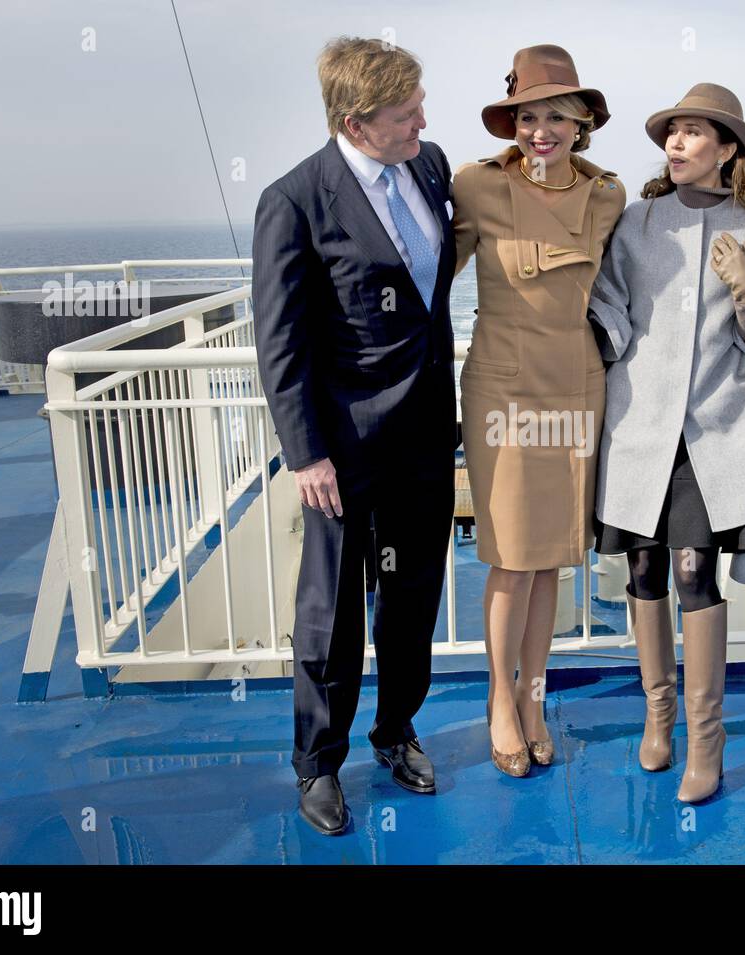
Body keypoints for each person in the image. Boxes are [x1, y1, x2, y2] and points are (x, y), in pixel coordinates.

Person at [252, 37, 458, 836]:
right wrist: (304, 452)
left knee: (413, 596)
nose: (423, 122)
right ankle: (319, 762)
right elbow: (282, 340)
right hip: (342, 448)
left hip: (424, 436)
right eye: (406, 115)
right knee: (331, 610)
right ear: (355, 122)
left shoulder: (430, 166)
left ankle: (396, 730)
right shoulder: (295, 200)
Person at [587, 84, 745, 804]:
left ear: (727, 149)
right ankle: (658, 715)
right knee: (644, 570)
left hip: (714, 428)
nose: (676, 144)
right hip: (638, 425)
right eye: (672, 133)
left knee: (695, 569)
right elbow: (608, 306)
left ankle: (708, 737)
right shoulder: (636, 223)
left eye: (695, 133)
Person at [452, 45, 625, 777]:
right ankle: (500, 698)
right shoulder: (477, 187)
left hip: (578, 387)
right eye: (528, 116)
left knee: (553, 555)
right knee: (512, 556)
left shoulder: (609, 197)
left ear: (582, 122)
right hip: (505, 391)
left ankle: (534, 698)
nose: (540, 130)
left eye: (556, 115)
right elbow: (423, 273)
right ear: (512, 121)